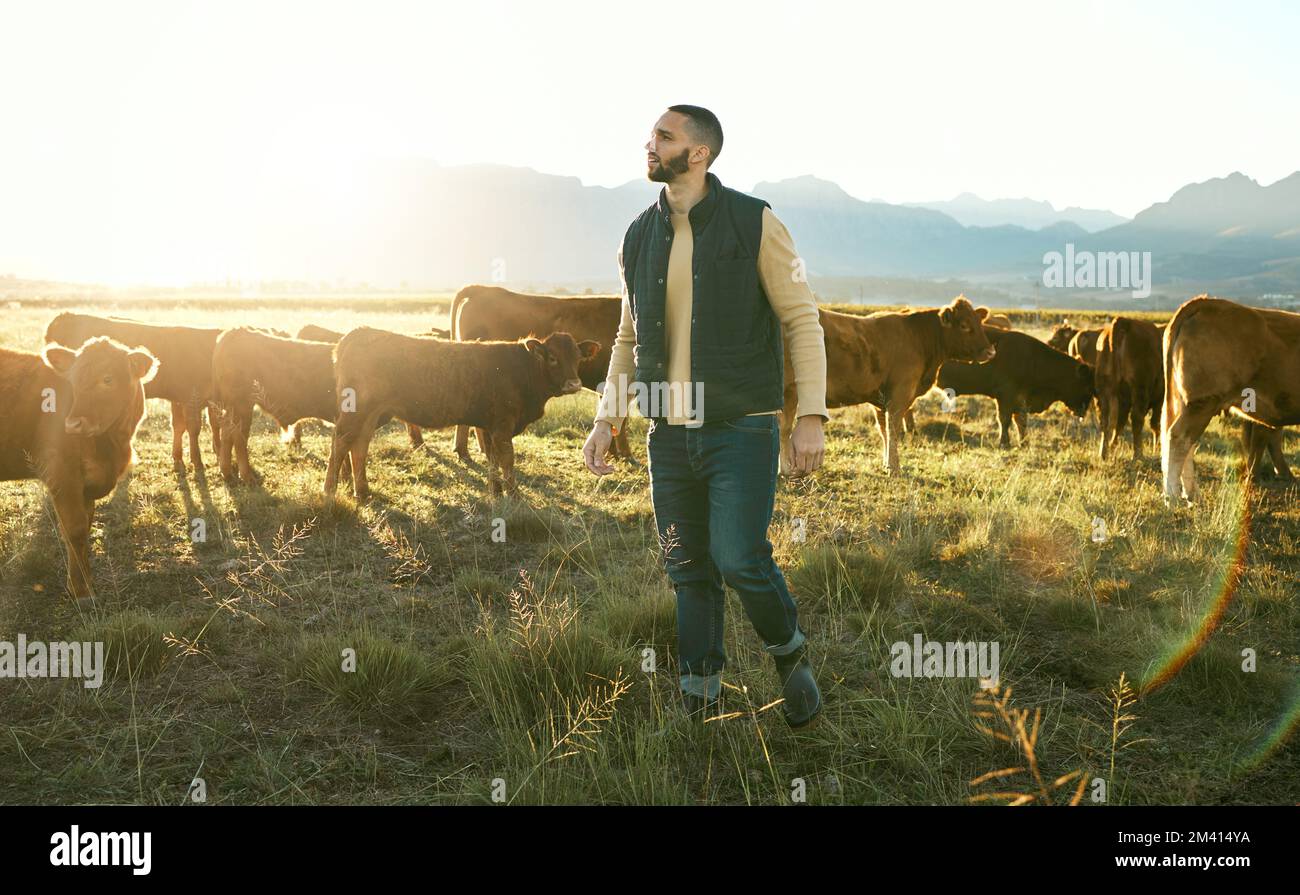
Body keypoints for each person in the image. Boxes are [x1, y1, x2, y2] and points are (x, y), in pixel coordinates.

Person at [581, 104, 828, 727]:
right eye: (650, 134)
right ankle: (701, 694)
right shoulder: (637, 235)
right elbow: (626, 339)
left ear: (699, 153)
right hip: (667, 432)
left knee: (739, 557)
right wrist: (606, 420)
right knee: (686, 565)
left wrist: (811, 417)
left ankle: (789, 653)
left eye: (663, 136)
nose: (649, 143)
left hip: (740, 425)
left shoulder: (755, 221)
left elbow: (802, 318)